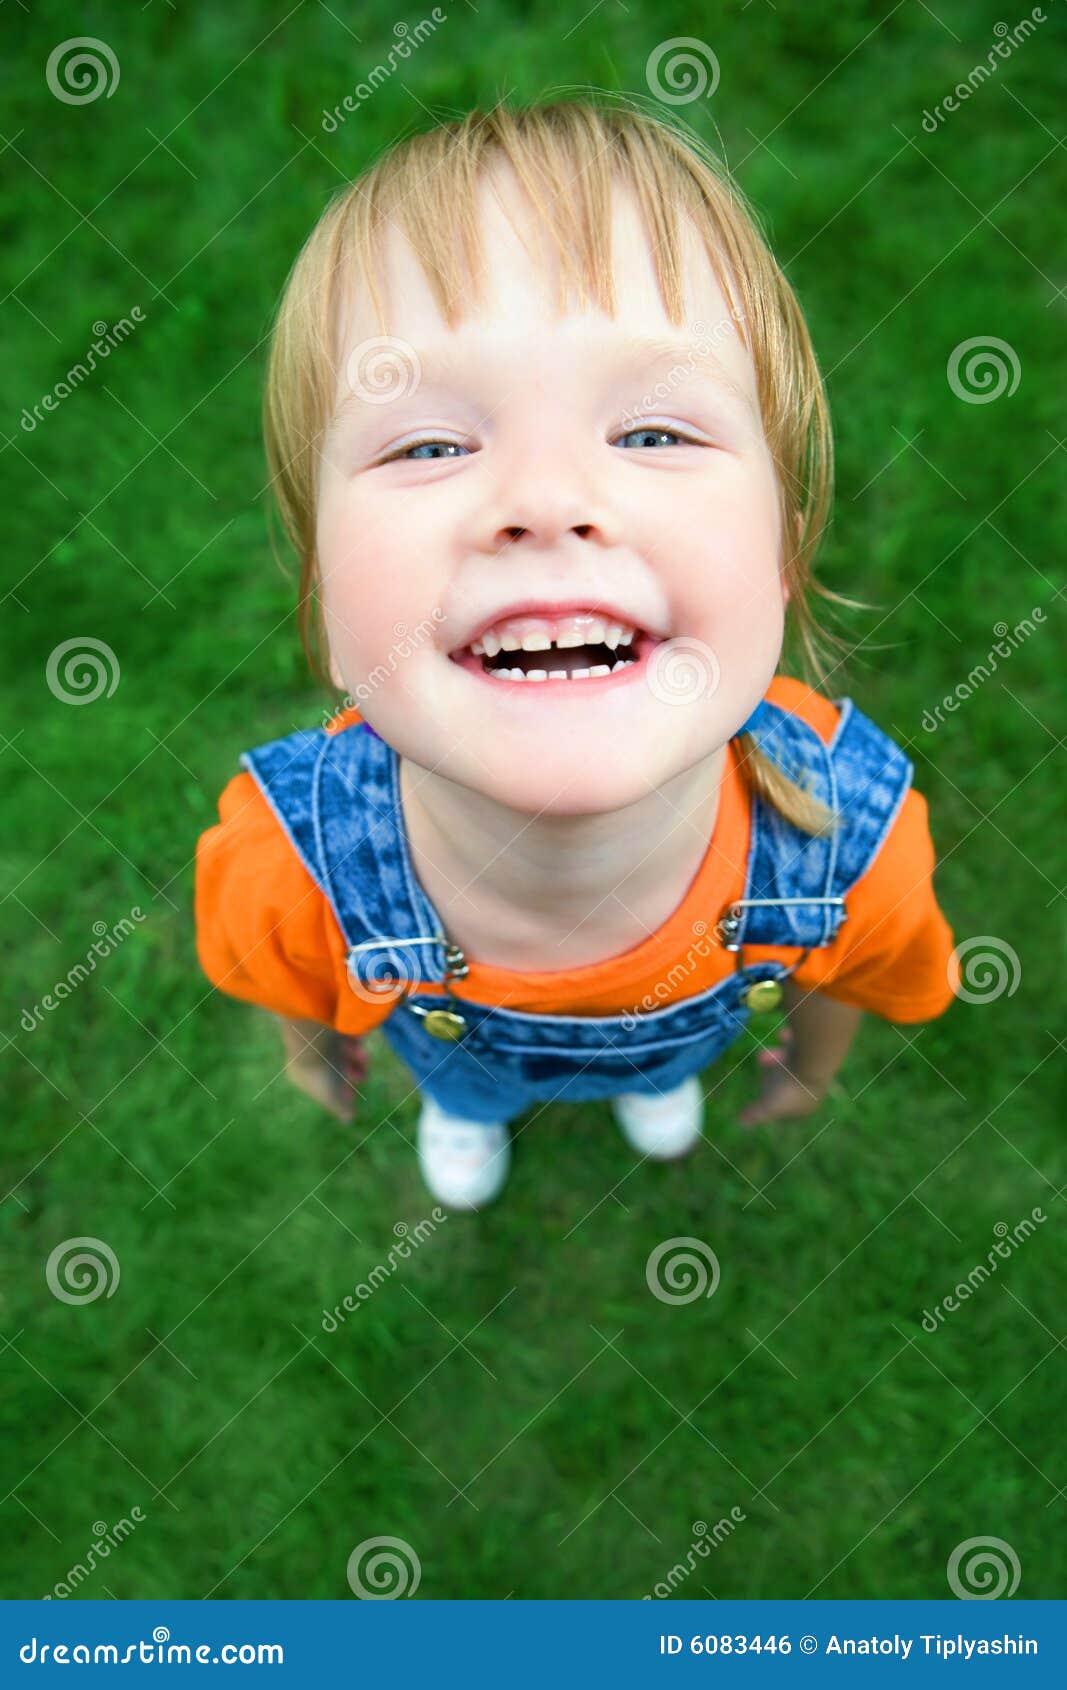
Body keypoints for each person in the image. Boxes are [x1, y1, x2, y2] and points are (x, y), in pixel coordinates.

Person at [195, 98, 955, 1211]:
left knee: (662, 1067)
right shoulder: (289, 863)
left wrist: (806, 1064)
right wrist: (313, 1053)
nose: (546, 499)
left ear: (781, 550)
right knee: (466, 1083)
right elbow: (292, 989)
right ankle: (469, 1110)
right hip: (455, 1054)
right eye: (429, 445)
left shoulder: (849, 844)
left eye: (653, 432)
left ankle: (654, 1078)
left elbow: (845, 980)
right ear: (320, 583)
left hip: (691, 1026)